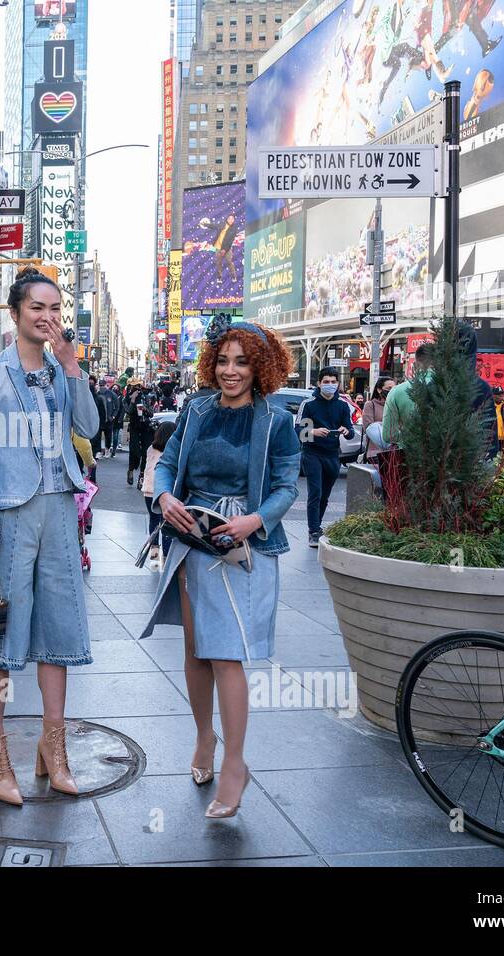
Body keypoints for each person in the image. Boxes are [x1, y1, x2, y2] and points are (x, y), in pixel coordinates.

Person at [140, 314, 301, 819]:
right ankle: (204, 740)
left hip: (240, 541)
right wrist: (165, 495)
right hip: (190, 533)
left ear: (262, 367)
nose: (231, 371)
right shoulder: (196, 408)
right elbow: (166, 462)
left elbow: (286, 486)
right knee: (195, 647)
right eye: (225, 361)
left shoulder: (276, 421)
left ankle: (234, 764)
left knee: (225, 653)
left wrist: (255, 520)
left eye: (243, 362)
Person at [0, 267, 100, 806]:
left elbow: (88, 428)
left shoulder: (59, 370)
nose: (48, 318)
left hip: (61, 508)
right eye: (37, 308)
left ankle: (53, 746)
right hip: (11, 514)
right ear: (15, 311)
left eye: (55, 309)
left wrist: (73, 370)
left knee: (58, 630)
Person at [297, 368, 354, 547]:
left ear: (338, 384)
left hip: (332, 454)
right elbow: (299, 431)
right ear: (319, 383)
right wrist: (313, 431)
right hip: (312, 453)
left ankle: (317, 526)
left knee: (325, 495)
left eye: (333, 382)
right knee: (315, 492)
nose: (330, 385)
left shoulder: (343, 405)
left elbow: (350, 431)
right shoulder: (309, 404)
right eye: (326, 382)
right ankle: (313, 530)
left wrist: (346, 431)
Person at [381, 342, 435, 448]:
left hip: (409, 456)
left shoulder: (396, 392)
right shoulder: (455, 389)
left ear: (415, 365)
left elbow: (388, 435)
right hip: (449, 459)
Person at [142, 421, 178, 570]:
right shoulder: (172, 451)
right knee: (167, 525)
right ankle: (167, 558)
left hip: (148, 492)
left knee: (154, 523)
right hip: (164, 492)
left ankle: (155, 558)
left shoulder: (151, 448)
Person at [126, 382, 156, 487]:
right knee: (134, 450)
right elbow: (129, 412)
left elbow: (151, 413)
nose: (138, 390)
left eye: (140, 388)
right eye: (136, 388)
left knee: (145, 452)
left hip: (146, 427)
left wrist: (145, 409)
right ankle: (130, 470)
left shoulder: (147, 398)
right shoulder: (127, 398)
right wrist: (133, 400)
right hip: (134, 426)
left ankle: (141, 477)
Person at [360, 377, 395, 459]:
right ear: (379, 390)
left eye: (394, 388)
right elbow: (368, 427)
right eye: (389, 388)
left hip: (395, 453)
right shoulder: (370, 405)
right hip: (375, 454)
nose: (392, 391)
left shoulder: (396, 405)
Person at [97, 379, 123, 457]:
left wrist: (113, 416)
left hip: (109, 419)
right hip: (99, 419)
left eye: (103, 385)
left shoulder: (111, 394)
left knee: (108, 436)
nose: (102, 387)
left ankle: (107, 450)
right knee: (97, 436)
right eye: (100, 385)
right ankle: (99, 451)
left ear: (106, 385)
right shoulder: (97, 394)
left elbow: (117, 406)